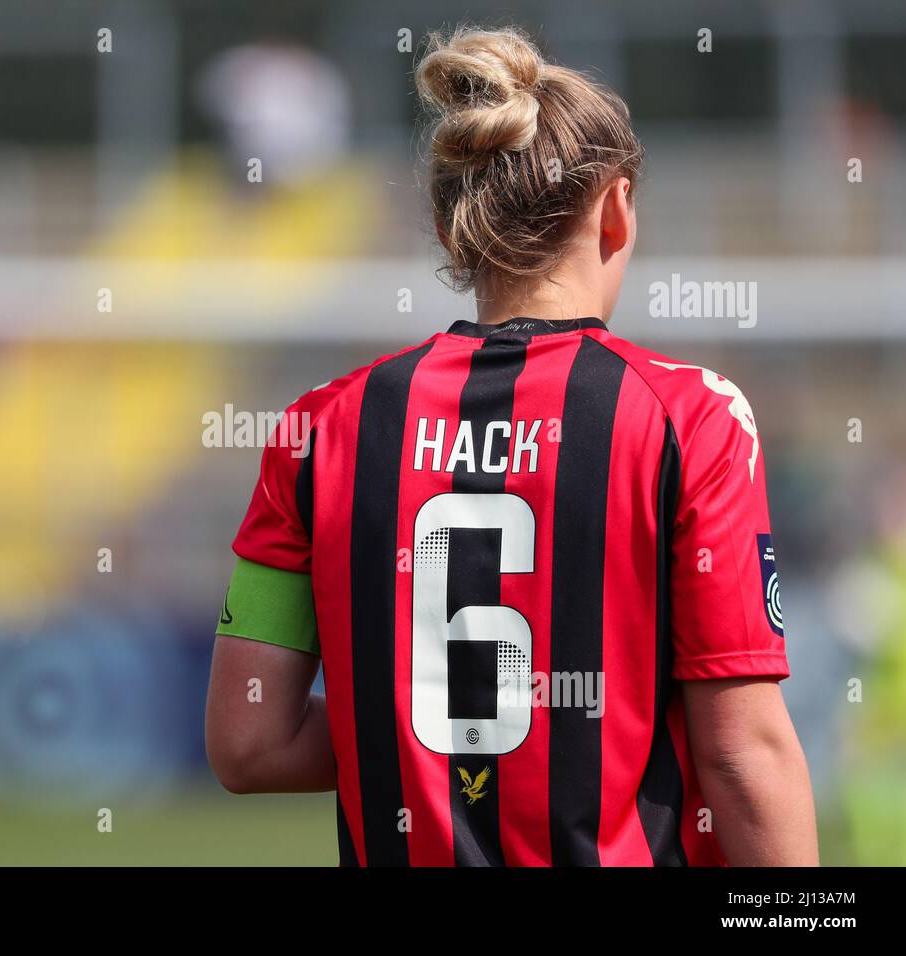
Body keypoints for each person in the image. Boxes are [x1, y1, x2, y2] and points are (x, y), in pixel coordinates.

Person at [204, 25, 818, 866]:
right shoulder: (691, 417)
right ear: (616, 210)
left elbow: (248, 745)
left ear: (450, 222)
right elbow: (742, 757)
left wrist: (430, 734)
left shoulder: (318, 428)